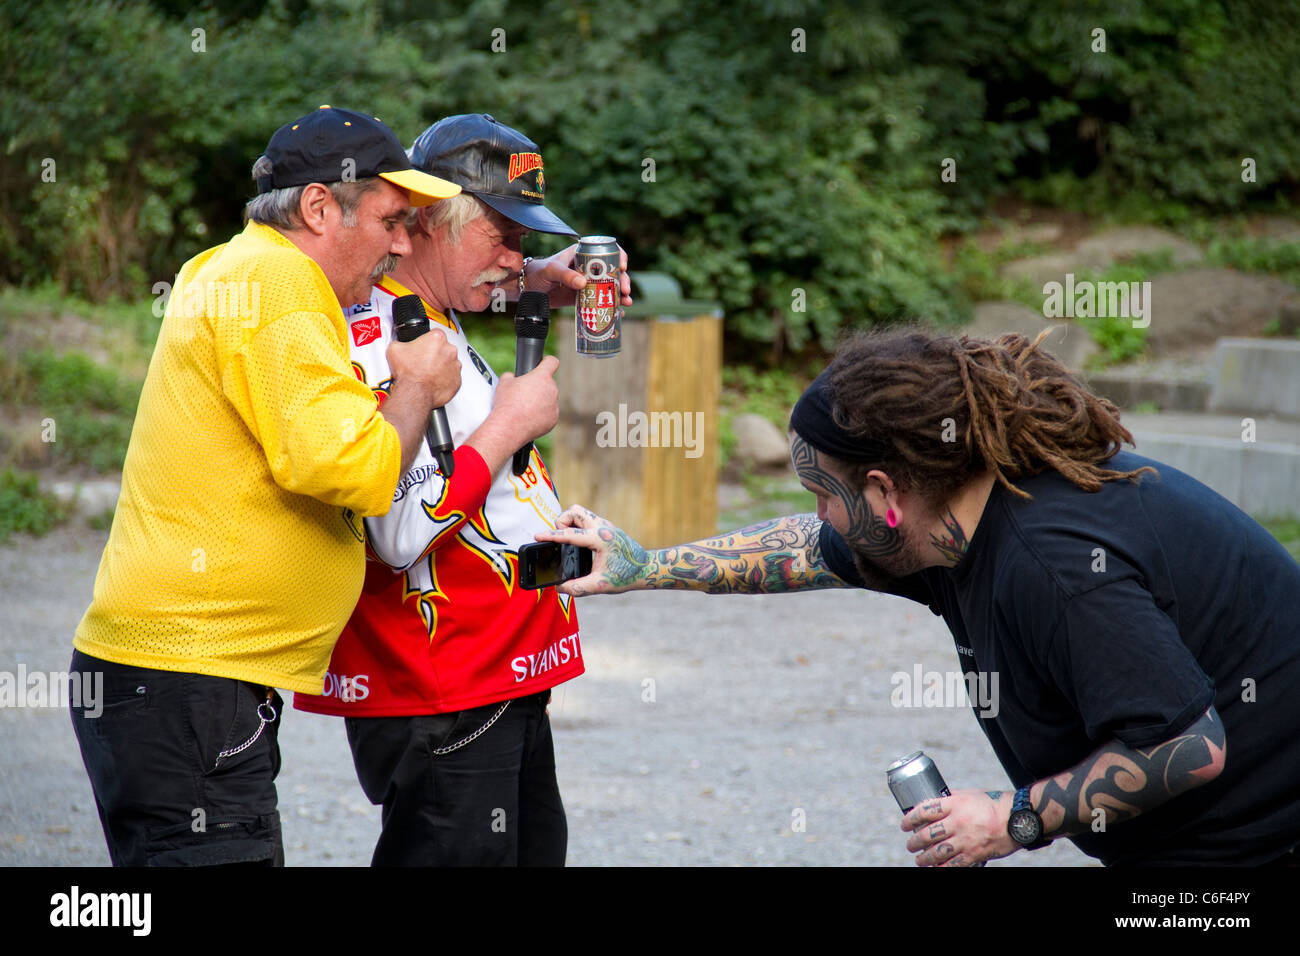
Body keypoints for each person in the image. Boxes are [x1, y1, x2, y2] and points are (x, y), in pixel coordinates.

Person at [537, 327, 1300, 867]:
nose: (822, 514)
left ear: (883, 490)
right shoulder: (943, 517)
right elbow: (806, 549)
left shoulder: (1054, 562)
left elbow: (1187, 745)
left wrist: (1011, 818)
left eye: (823, 492)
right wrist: (644, 566)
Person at [70, 106, 465, 867]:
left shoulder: (224, 267)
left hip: (176, 680)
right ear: (320, 206)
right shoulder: (281, 282)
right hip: (193, 681)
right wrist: (415, 386)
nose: (399, 243)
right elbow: (351, 468)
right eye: (390, 219)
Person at [293, 114, 632, 866]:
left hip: (491, 674)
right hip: (442, 689)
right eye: (502, 236)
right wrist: (507, 428)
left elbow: (455, 286)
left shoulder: (428, 309)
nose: (518, 258)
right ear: (416, 228)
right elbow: (393, 530)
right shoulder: (372, 340)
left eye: (527, 239)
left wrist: (541, 276)